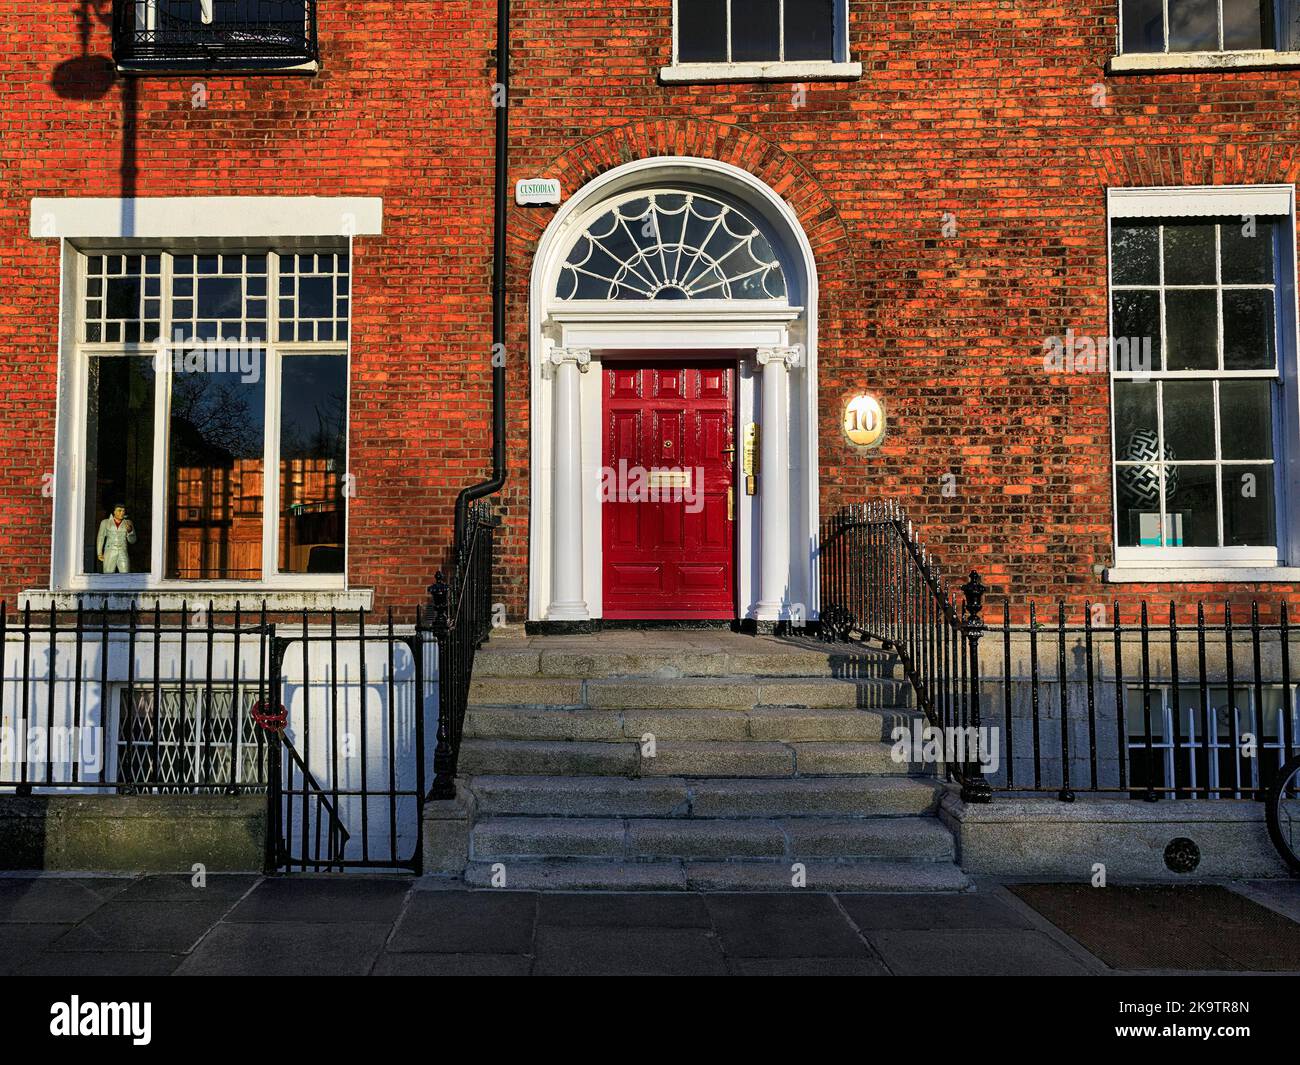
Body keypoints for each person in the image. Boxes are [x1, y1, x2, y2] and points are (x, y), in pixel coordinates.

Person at [96, 504, 137, 574]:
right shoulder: (105, 522)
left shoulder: (128, 523)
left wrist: (130, 531)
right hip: (110, 551)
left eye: (123, 511)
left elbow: (132, 541)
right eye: (119, 511)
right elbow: (101, 537)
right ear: (114, 512)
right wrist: (99, 553)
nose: (122, 513)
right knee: (108, 574)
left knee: (125, 574)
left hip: (122, 551)